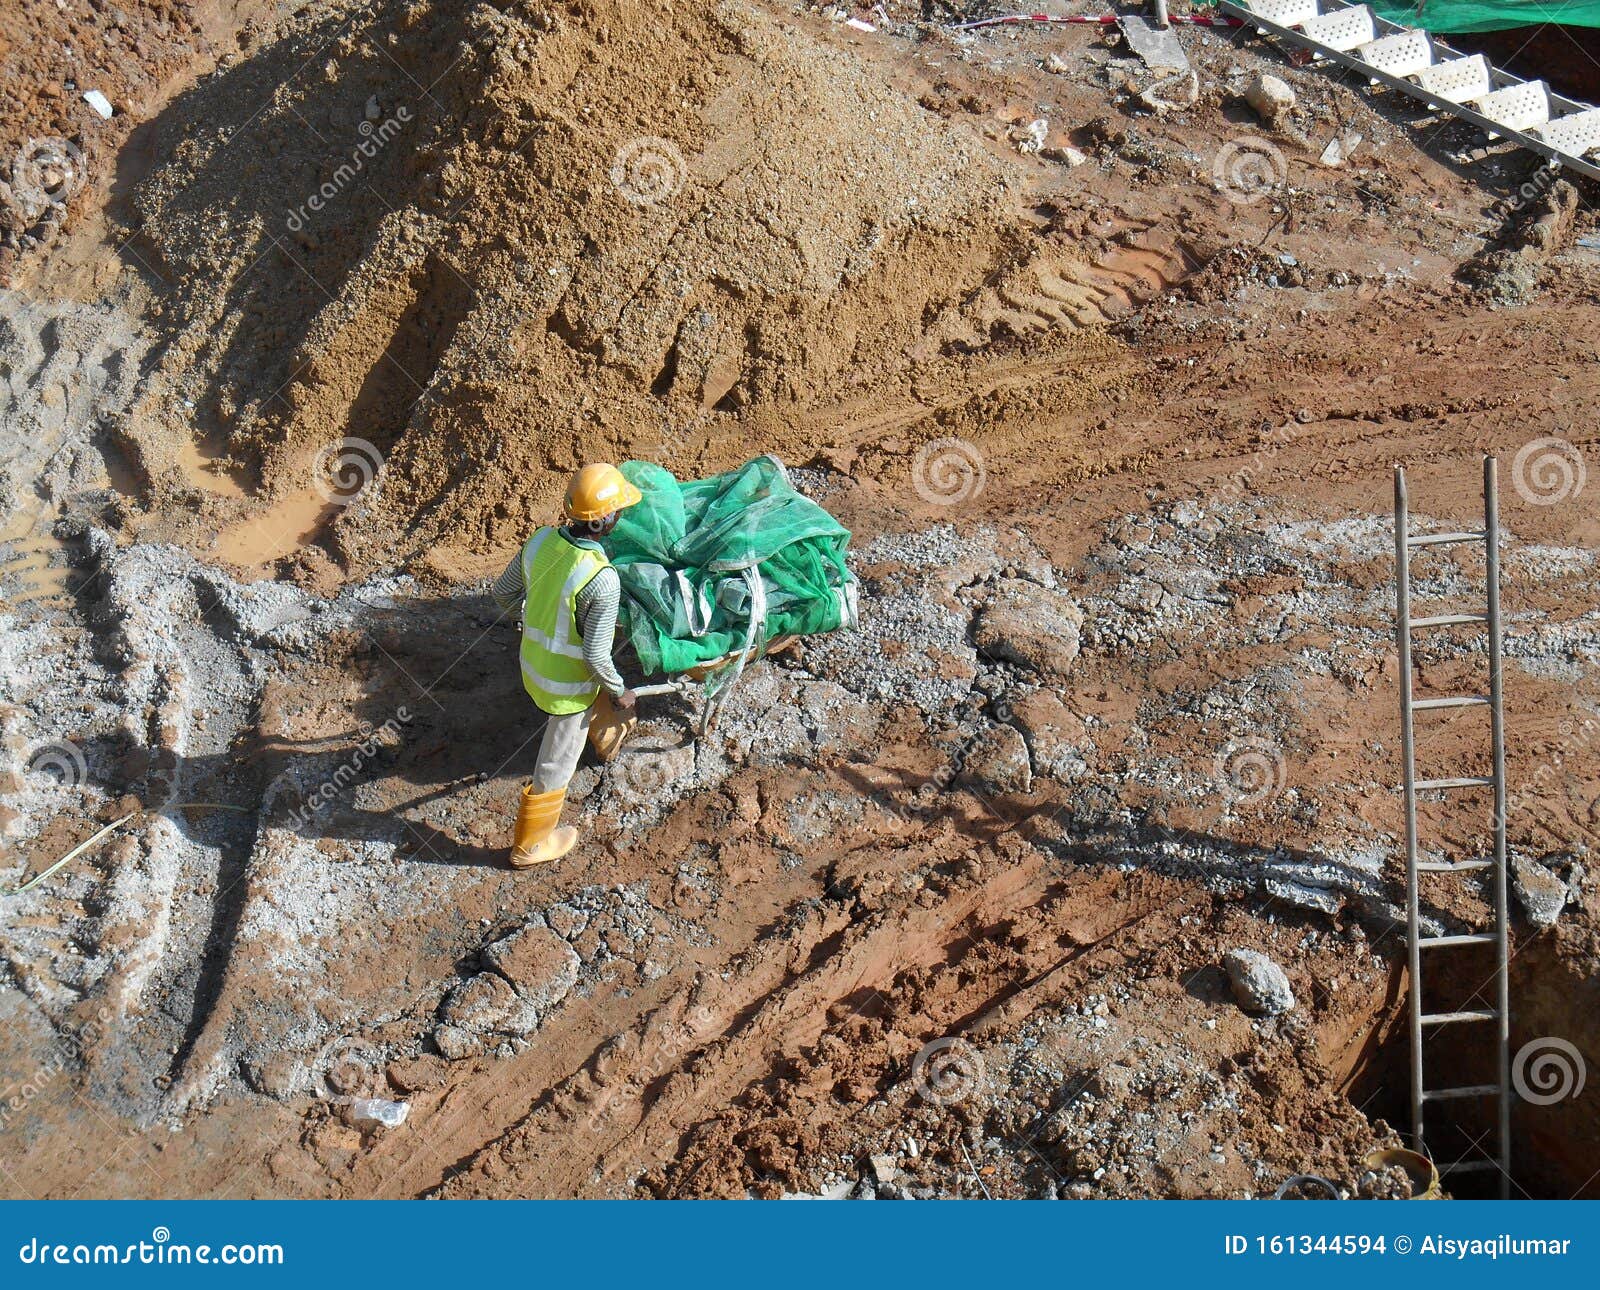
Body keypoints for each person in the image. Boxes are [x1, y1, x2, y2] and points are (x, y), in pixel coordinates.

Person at [490, 463, 642, 868]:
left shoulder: (539, 543)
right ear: (606, 520)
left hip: (530, 667)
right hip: (567, 690)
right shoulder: (601, 579)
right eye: (619, 511)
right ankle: (530, 847)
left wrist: (529, 623)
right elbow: (596, 657)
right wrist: (619, 690)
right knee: (555, 765)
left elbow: (503, 594)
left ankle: (601, 728)